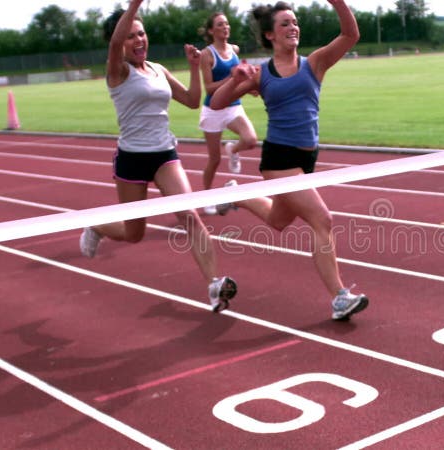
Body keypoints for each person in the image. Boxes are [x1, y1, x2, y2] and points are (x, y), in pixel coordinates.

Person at [210, 0, 368, 321]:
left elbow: (350, 35)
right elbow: (216, 103)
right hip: (279, 157)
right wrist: (234, 78)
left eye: (294, 22)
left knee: (279, 221)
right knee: (322, 220)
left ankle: (236, 193)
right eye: (284, 23)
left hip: (307, 157)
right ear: (270, 35)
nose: (292, 27)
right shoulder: (261, 74)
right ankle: (339, 297)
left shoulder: (316, 63)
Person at [79, 0, 237, 312]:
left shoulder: (158, 70)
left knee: (189, 215)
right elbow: (113, 43)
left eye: (142, 34)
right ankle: (97, 227)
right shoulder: (117, 71)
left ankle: (214, 285)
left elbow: (193, 101)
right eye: (132, 36)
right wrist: (135, 4)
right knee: (133, 233)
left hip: (165, 154)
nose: (139, 40)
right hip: (131, 160)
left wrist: (193, 67)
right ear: (120, 43)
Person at [198, 12, 258, 215]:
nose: (225, 27)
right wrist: (232, 77)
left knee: (250, 139)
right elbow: (209, 88)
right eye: (220, 24)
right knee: (213, 160)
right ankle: (206, 198)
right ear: (211, 30)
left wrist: (251, 88)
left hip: (233, 106)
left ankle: (233, 149)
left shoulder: (235, 50)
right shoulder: (207, 54)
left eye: (227, 24)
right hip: (213, 110)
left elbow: (240, 80)